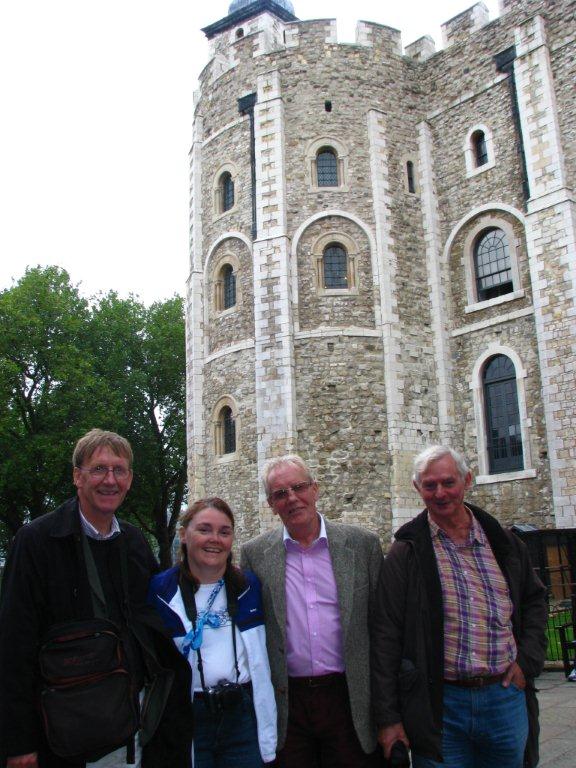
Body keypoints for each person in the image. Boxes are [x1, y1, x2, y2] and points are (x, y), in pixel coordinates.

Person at [371, 445, 548, 768]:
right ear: (417, 488)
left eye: (448, 483)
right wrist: (388, 717)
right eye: (430, 485)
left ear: (467, 481)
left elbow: (535, 601)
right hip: (440, 705)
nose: (440, 493)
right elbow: (386, 635)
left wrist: (528, 660)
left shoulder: (503, 543)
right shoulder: (406, 552)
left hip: (503, 696)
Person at [0, 429, 160, 768]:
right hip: (60, 731)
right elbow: (13, 644)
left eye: (119, 470)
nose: (110, 480)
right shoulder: (36, 541)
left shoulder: (134, 543)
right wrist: (18, 742)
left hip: (125, 724)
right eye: (99, 469)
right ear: (78, 476)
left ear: (130, 479)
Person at [241, 455, 384, 768]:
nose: (291, 498)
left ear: (315, 489)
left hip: (348, 697)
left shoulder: (362, 545)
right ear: (270, 503)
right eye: (280, 494)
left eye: (298, 487)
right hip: (290, 703)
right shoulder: (254, 555)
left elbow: (382, 628)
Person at [146, 497, 277, 768]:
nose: (214, 539)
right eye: (204, 529)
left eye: (224, 532)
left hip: (240, 714)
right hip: (188, 714)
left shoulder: (248, 587)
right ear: (184, 535)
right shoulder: (160, 592)